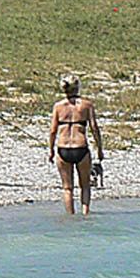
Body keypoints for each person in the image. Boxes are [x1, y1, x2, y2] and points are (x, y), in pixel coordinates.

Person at [48, 74, 104, 215]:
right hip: (81, 149)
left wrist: (51, 150)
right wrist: (100, 149)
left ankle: (70, 217)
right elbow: (94, 128)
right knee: (85, 186)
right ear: (77, 87)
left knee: (67, 188)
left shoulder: (58, 107)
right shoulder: (86, 105)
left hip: (63, 148)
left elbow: (53, 131)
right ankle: (85, 214)